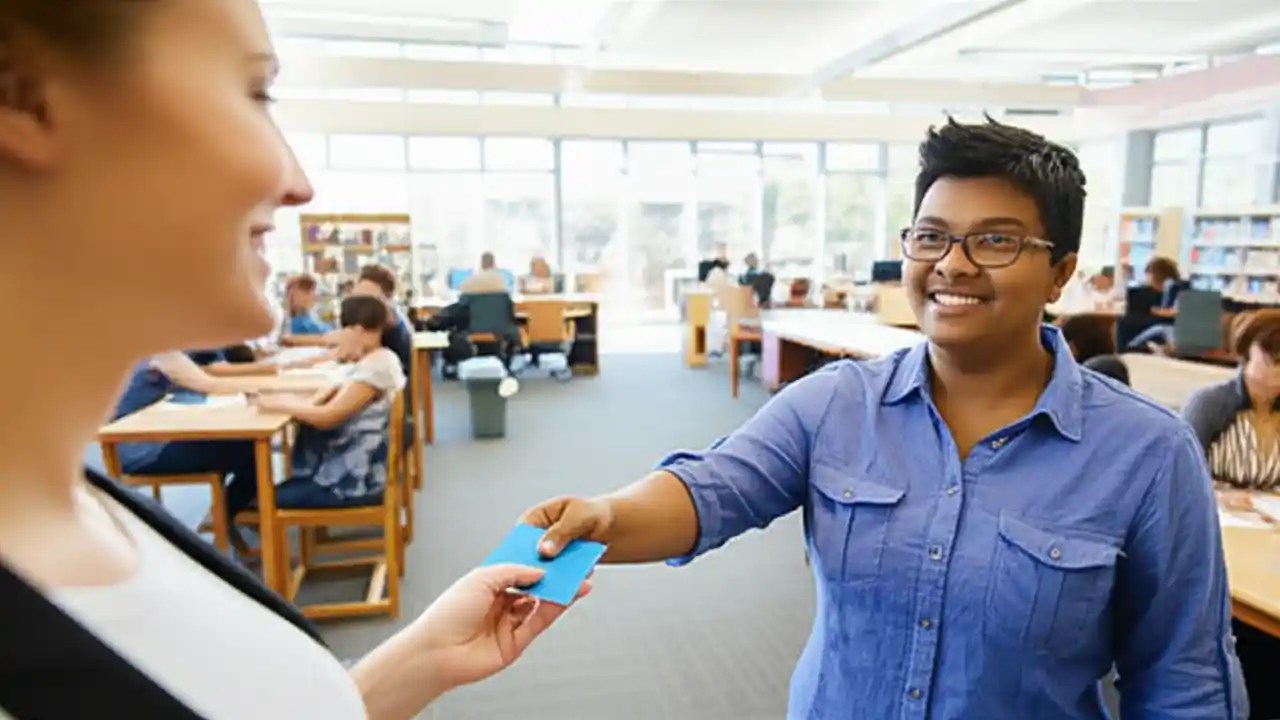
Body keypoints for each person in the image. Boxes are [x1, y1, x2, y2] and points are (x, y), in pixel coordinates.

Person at [520, 118, 1247, 718]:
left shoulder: (1147, 454)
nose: (953, 263)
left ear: (1060, 271)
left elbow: (1183, 683)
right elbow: (712, 490)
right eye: (931, 236)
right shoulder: (836, 402)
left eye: (995, 240)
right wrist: (607, 517)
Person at [0, 3, 585, 718]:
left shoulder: (86, 504)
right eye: (253, 93)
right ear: (22, 95)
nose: (297, 180)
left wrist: (421, 657)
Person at [1181, 309, 1280, 717]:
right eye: (1272, 359)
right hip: (1219, 535)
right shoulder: (1212, 404)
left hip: (1268, 537)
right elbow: (1178, 477)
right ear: (1246, 352)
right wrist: (1220, 493)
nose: (1279, 372)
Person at [253, 296, 405, 509]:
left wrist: (277, 404)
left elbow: (327, 417)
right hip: (358, 468)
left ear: (356, 331)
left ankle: (242, 526)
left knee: (253, 499)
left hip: (351, 481)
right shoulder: (379, 359)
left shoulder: (376, 368)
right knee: (250, 491)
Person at [348, 264, 414, 376]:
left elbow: (353, 352)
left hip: (387, 380)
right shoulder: (392, 313)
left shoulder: (386, 321)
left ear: (385, 296)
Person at [282, 273, 332, 338]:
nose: (313, 295)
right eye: (309, 292)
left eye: (313, 290)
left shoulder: (309, 317)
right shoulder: (296, 324)